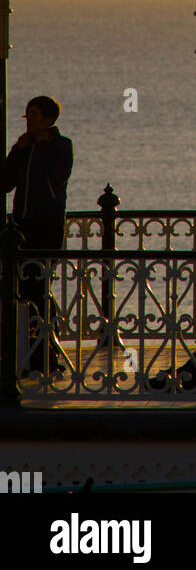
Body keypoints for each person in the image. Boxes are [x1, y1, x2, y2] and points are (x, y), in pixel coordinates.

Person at [0, 95, 73, 374]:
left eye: (33, 114)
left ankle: (45, 353)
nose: (28, 119)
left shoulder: (61, 146)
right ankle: (26, 351)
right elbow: (5, 182)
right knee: (22, 289)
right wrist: (17, 151)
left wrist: (42, 149)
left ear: (48, 119)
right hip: (22, 227)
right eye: (27, 114)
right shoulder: (26, 147)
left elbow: (58, 177)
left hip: (47, 226)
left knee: (39, 288)